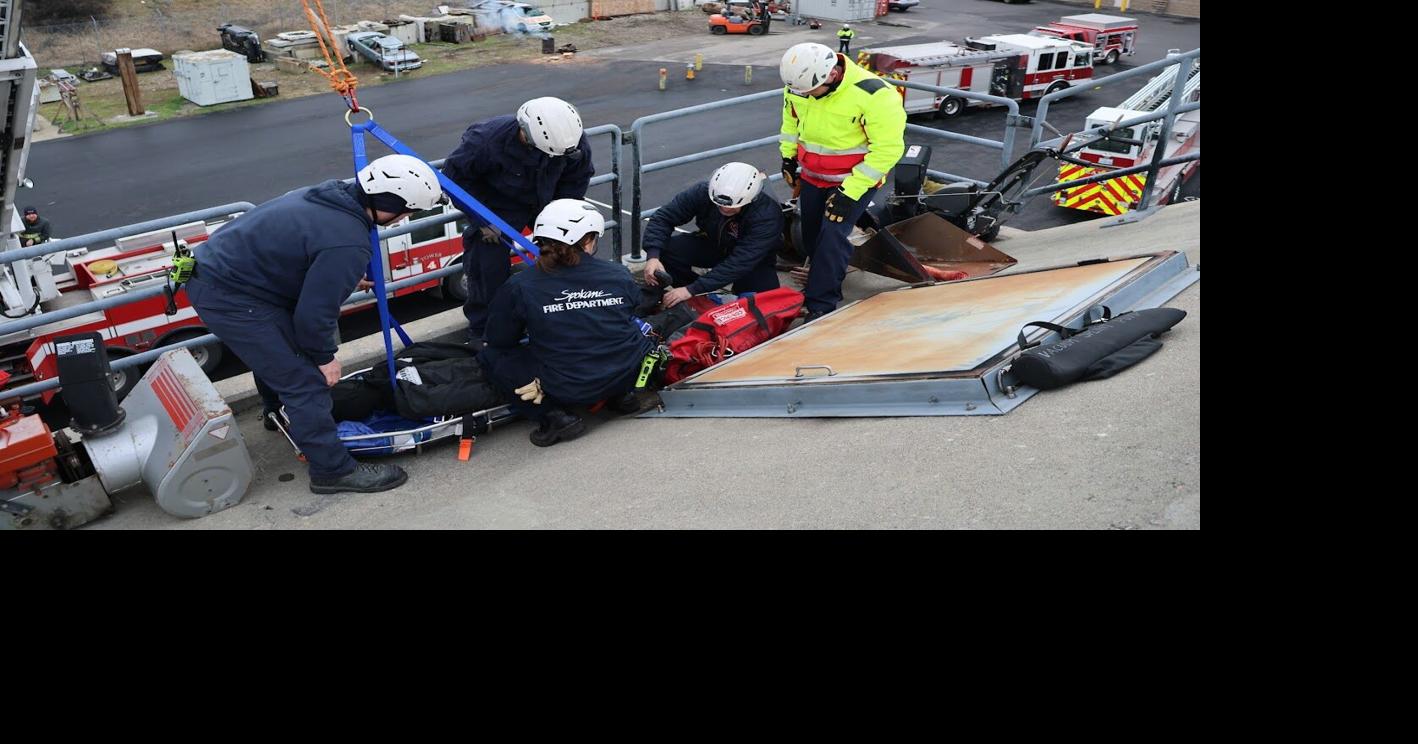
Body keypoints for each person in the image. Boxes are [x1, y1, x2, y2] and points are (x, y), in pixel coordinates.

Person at [185, 154, 446, 494]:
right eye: (408, 211)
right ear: (391, 204)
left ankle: (277, 412)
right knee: (305, 381)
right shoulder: (347, 241)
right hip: (233, 296)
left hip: (225, 277)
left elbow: (301, 252)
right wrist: (325, 358)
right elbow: (314, 316)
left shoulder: (331, 195)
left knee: (281, 355)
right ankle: (332, 471)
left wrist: (335, 275)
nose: (406, 219)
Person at [479, 199, 653, 448]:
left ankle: (554, 417)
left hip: (568, 388)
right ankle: (621, 396)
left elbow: (499, 339)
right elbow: (631, 311)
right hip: (628, 373)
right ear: (588, 239)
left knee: (491, 355)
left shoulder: (520, 286)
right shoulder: (618, 273)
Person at [441, 97, 594, 342]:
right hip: (497, 206)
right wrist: (482, 220)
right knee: (486, 265)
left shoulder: (568, 139)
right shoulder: (486, 141)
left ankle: (565, 312)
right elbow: (454, 180)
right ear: (526, 134)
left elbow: (577, 179)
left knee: (569, 254)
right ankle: (486, 332)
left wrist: (564, 220)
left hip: (549, 201)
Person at [778, 41, 905, 321]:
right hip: (812, 176)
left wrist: (849, 194)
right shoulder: (800, 86)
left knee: (832, 237)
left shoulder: (875, 95)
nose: (805, 96)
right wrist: (788, 157)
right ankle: (821, 277)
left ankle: (821, 305)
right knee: (811, 233)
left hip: (854, 180)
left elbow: (888, 150)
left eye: (810, 92)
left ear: (832, 75)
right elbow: (791, 122)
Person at [641, 162, 782, 309]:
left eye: (732, 206)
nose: (724, 208)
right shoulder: (702, 192)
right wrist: (653, 256)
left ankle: (695, 291)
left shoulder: (767, 215)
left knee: (763, 305)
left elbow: (741, 261)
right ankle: (700, 297)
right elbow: (664, 218)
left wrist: (692, 289)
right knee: (666, 250)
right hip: (714, 244)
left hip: (754, 260)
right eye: (719, 204)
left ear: (751, 198)